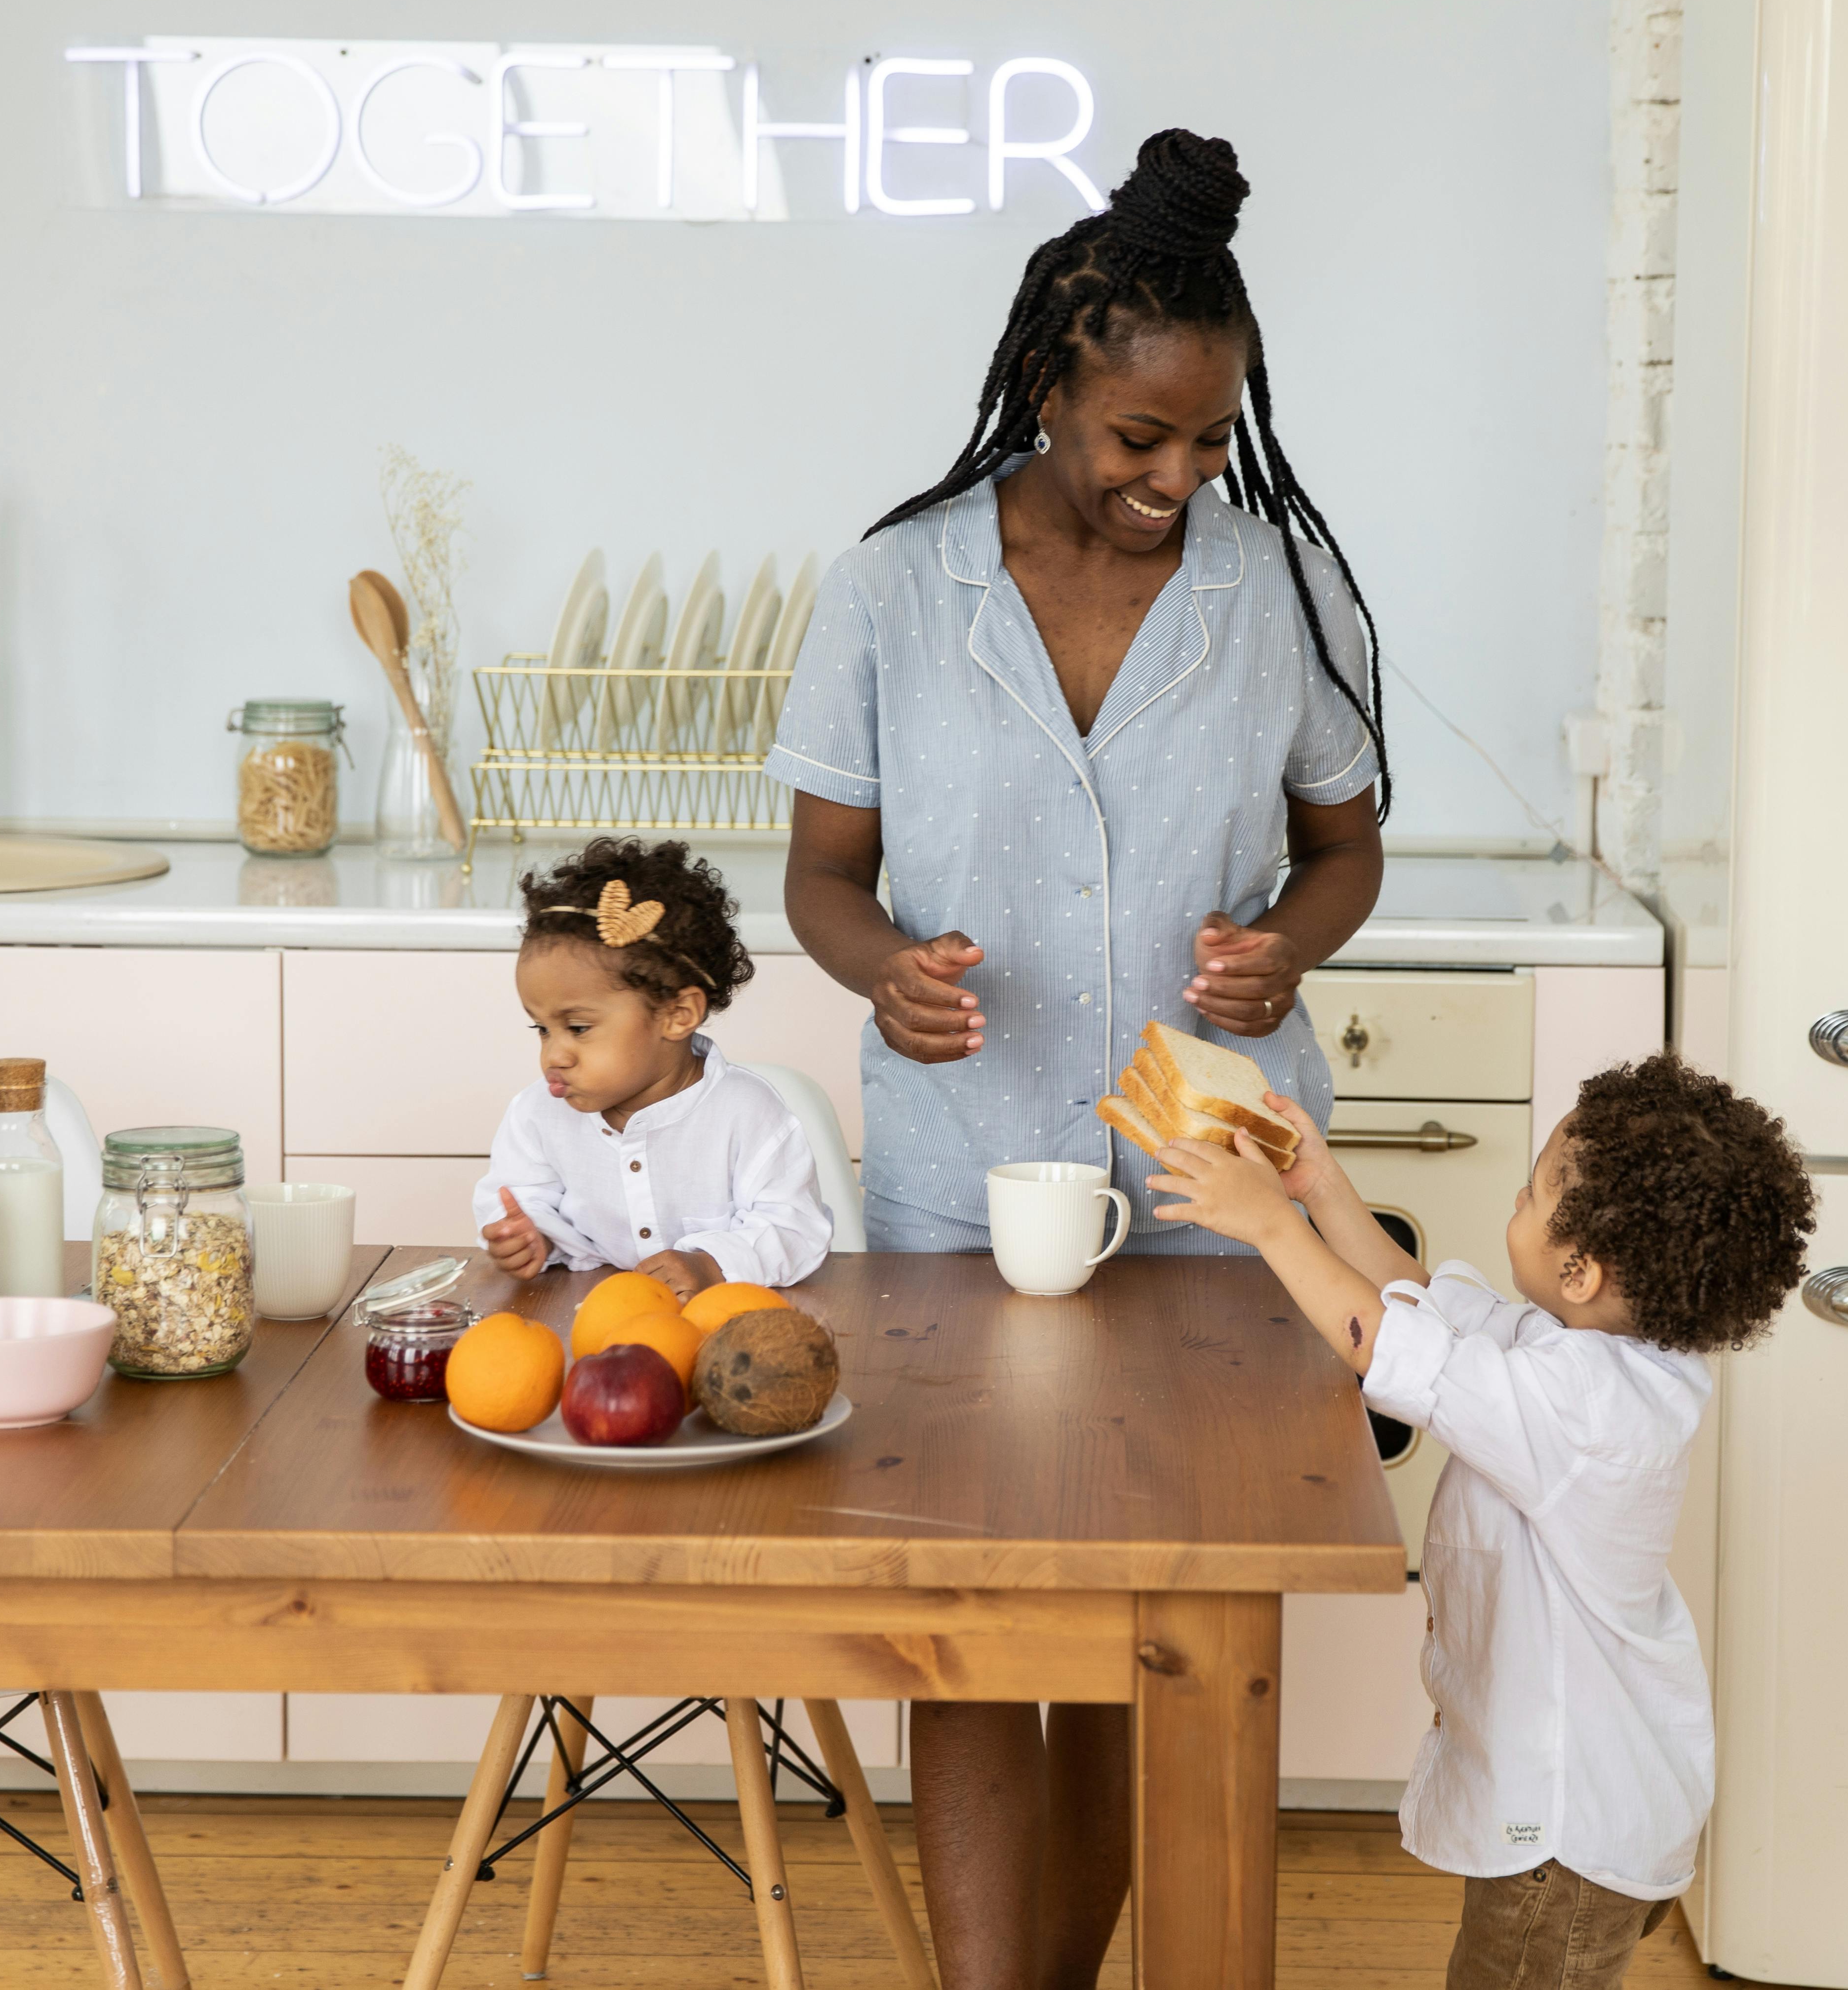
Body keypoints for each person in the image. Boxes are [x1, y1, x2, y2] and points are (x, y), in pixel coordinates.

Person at [765, 127, 1391, 1983]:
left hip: (1216, 1185)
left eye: (1210, 439)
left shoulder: (1276, 586)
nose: (1176, 476)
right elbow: (819, 878)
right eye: (1140, 438)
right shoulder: (894, 588)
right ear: (1051, 387)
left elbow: (1344, 847)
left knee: (1155, 1612)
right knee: (963, 1608)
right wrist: (883, 976)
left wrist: (1287, 946)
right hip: (963, 1176)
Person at [1148, 1053, 1817, 1990]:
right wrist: (1322, 1191)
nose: (1518, 1192)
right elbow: (1420, 1307)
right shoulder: (1588, 1355)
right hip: (1591, 1800)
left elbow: (1385, 1345)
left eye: (1534, 1191)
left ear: (1579, 1269)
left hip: (1565, 1824)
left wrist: (1268, 1226)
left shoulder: (1582, 1406)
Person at [473, 837, 830, 1297]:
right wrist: (531, 1238)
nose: (554, 1056)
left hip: (727, 1332)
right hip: (598, 1328)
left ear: (677, 1015)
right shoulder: (536, 1114)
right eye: (542, 1029)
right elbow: (520, 1199)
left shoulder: (748, 1114)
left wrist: (711, 1265)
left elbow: (796, 1228)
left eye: (578, 1028)